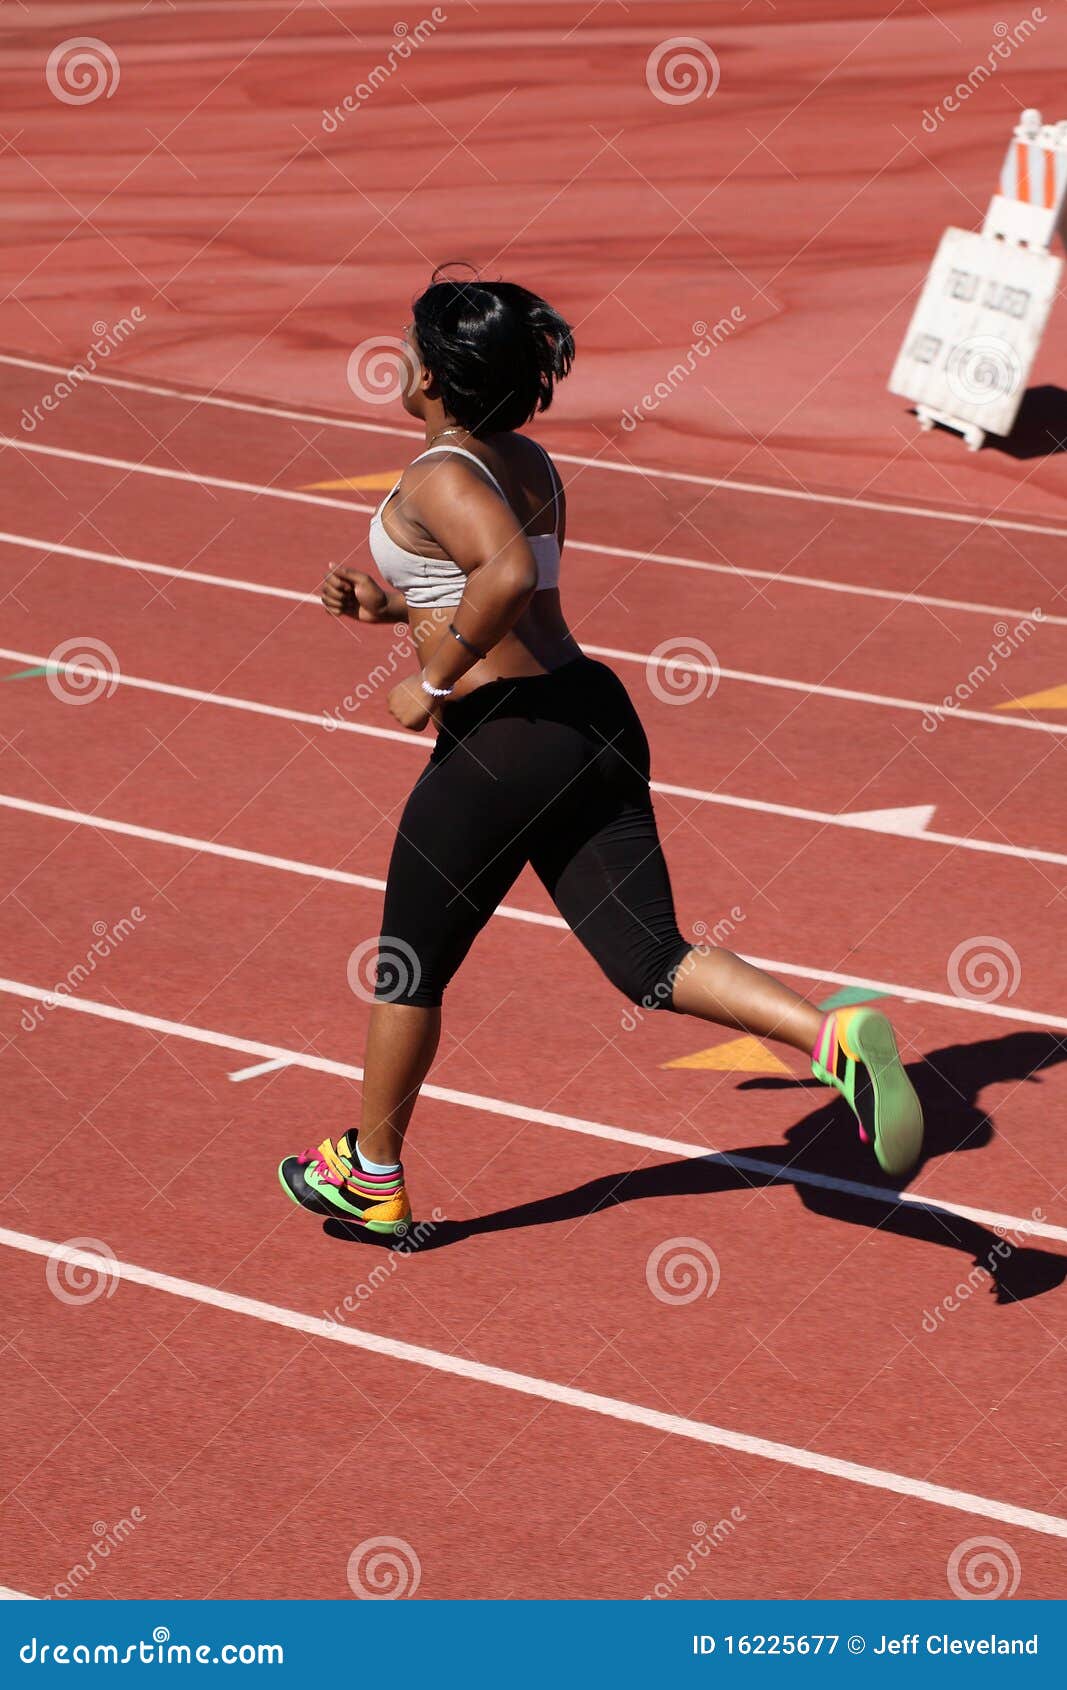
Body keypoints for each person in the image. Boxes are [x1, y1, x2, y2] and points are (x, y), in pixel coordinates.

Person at [279, 271, 923, 1236]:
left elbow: (500, 574)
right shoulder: (525, 460)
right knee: (650, 958)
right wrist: (392, 609)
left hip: (501, 742)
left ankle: (372, 1176)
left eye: (409, 346)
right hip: (588, 719)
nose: (398, 359)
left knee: (408, 964)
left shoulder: (438, 476)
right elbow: (501, 588)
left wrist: (434, 679)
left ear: (437, 376)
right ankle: (827, 1035)